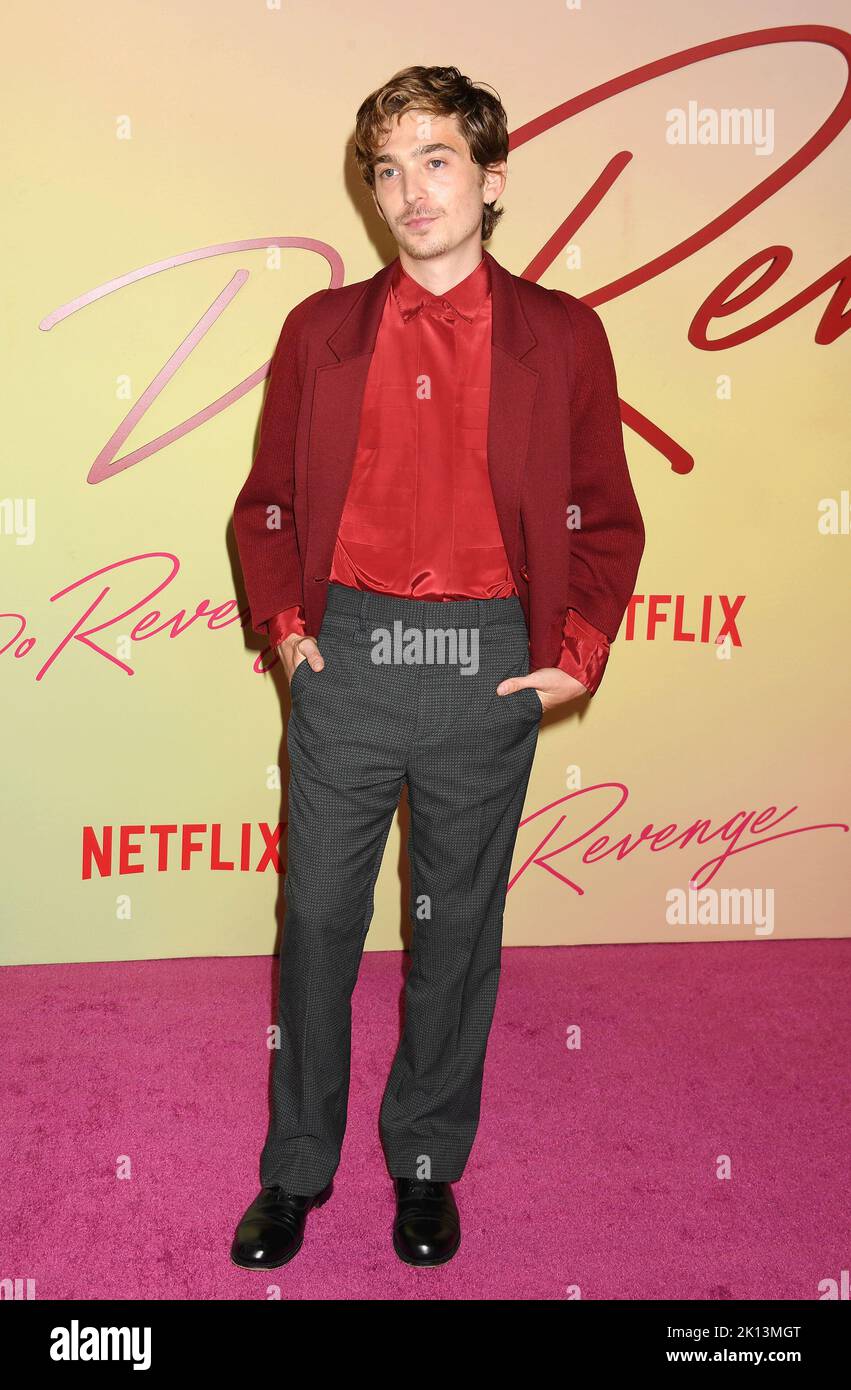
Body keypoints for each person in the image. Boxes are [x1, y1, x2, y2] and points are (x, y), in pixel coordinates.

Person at [230, 64, 645, 1269]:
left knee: (454, 926)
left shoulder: (563, 335)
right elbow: (265, 508)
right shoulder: (319, 332)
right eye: (385, 167)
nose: (407, 192)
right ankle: (295, 1169)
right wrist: (291, 631)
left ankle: (422, 1163)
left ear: (491, 178)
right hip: (347, 654)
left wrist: (572, 652)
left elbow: (602, 516)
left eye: (435, 160)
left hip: (484, 663)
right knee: (314, 919)